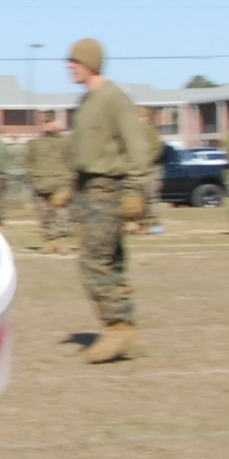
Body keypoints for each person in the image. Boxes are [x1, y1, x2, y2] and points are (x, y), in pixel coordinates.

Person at [65, 40, 154, 361]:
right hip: (89, 189)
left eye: (74, 61)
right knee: (111, 262)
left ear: (90, 63)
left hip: (109, 190)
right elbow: (83, 149)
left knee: (94, 262)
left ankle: (118, 327)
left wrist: (133, 190)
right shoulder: (86, 100)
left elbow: (139, 148)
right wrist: (70, 185)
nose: (68, 66)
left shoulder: (114, 98)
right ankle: (129, 331)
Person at [24, 112, 74, 252]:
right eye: (44, 122)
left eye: (49, 122)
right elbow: (29, 163)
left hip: (60, 184)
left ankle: (62, 244)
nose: (47, 125)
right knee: (45, 216)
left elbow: (72, 163)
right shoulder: (35, 144)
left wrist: (69, 184)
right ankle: (50, 243)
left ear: (56, 123)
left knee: (62, 216)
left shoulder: (65, 143)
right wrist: (33, 179)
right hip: (41, 184)